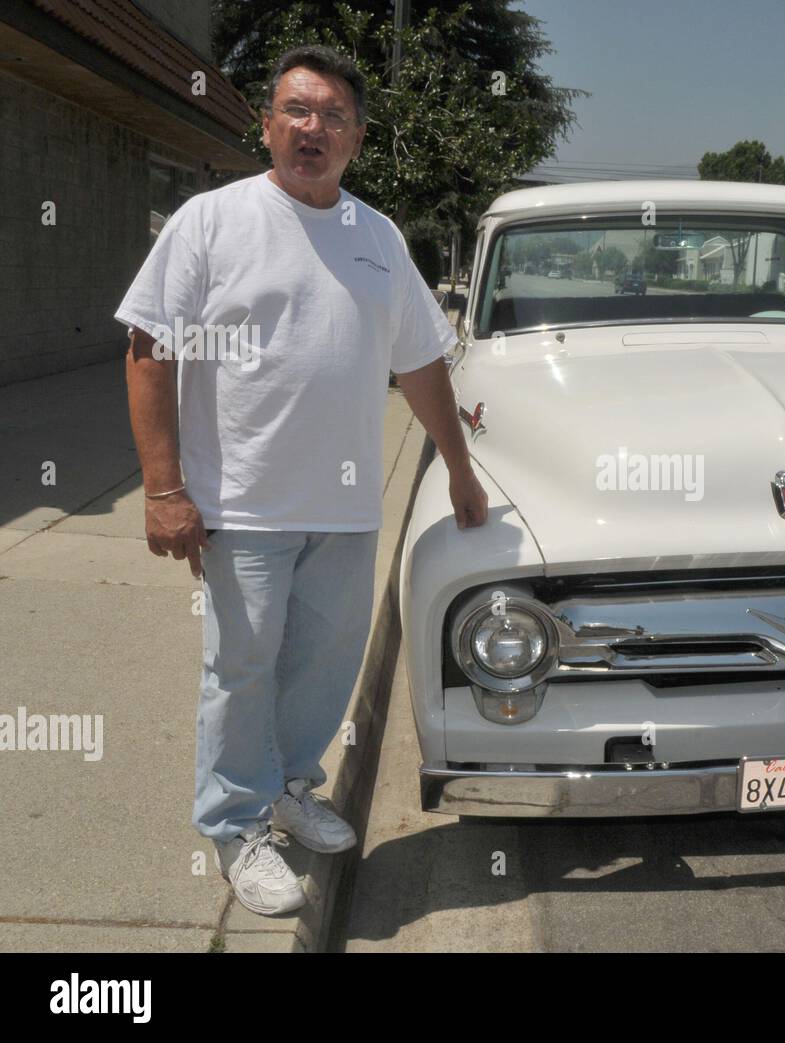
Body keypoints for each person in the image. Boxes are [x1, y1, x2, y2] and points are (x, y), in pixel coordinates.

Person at [117, 45, 487, 917]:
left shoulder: (378, 237)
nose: (310, 129)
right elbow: (147, 351)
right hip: (240, 504)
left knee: (321, 667)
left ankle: (287, 785)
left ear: (357, 136)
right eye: (295, 110)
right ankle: (234, 822)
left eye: (330, 116)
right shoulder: (211, 222)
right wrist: (164, 487)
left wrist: (461, 471)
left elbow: (423, 364)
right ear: (267, 123)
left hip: (346, 507)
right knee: (242, 669)